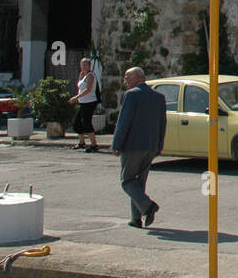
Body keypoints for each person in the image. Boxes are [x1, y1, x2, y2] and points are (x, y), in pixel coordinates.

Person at [110, 66, 166, 229]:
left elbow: (123, 123)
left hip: (132, 145)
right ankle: (136, 218)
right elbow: (162, 123)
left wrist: (116, 144)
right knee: (139, 183)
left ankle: (148, 206)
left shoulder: (132, 95)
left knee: (127, 180)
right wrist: (159, 145)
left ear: (139, 78)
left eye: (128, 77)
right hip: (150, 145)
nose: (125, 81)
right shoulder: (159, 97)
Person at [68, 58, 100, 152]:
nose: (83, 67)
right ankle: (82, 142)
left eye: (85, 65)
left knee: (87, 122)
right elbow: (80, 87)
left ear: (89, 66)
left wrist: (76, 97)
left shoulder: (91, 76)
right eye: (82, 65)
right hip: (83, 102)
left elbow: (88, 89)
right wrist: (78, 98)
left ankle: (94, 144)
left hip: (90, 101)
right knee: (77, 121)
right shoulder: (82, 74)